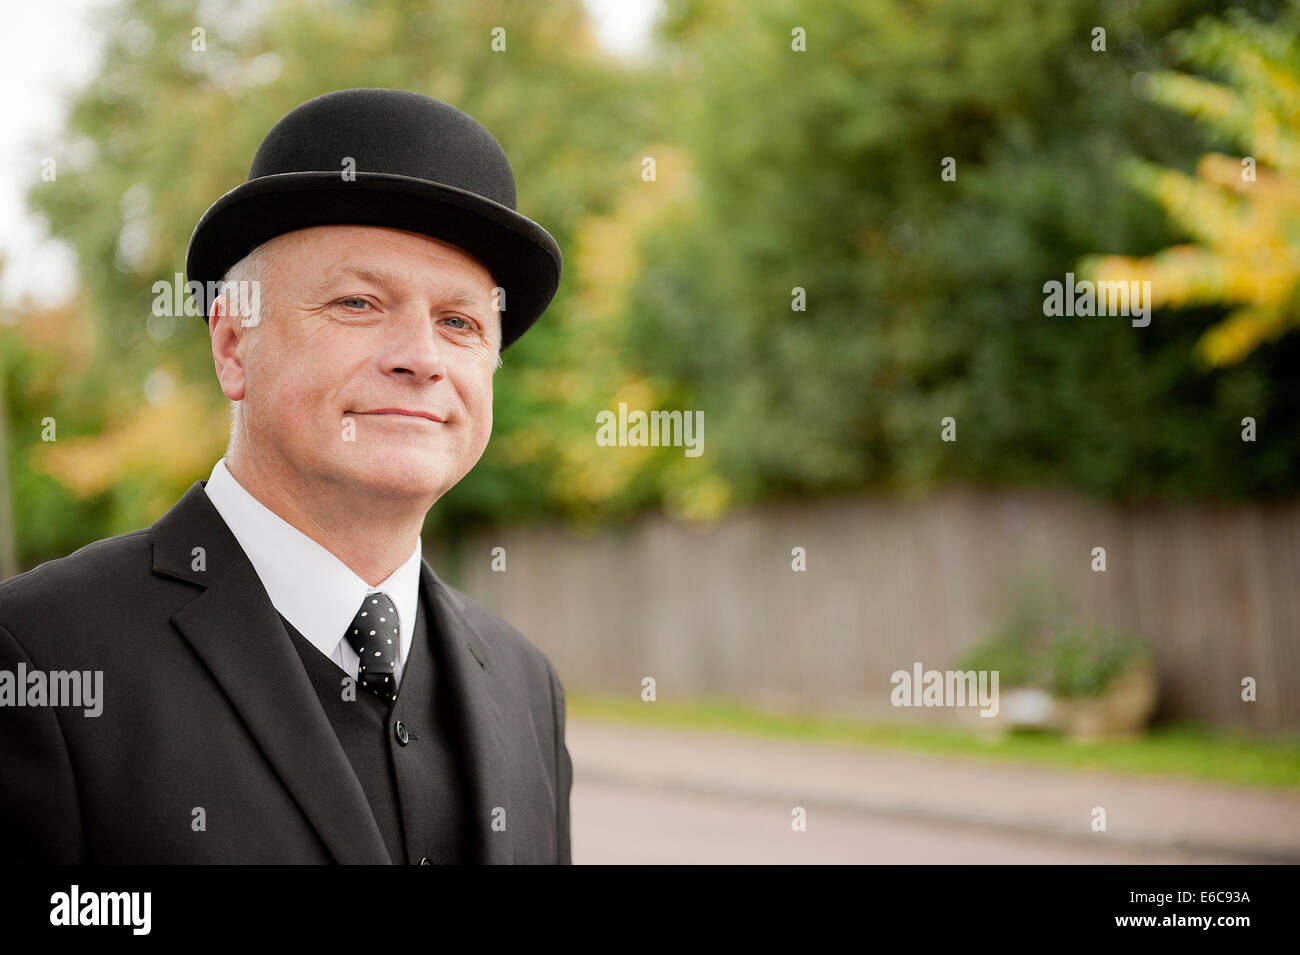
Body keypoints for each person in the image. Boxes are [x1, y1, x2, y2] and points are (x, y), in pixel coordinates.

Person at [0, 88, 572, 864]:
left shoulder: (527, 684)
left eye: (460, 322)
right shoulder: (40, 655)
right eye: (359, 302)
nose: (421, 357)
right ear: (234, 346)